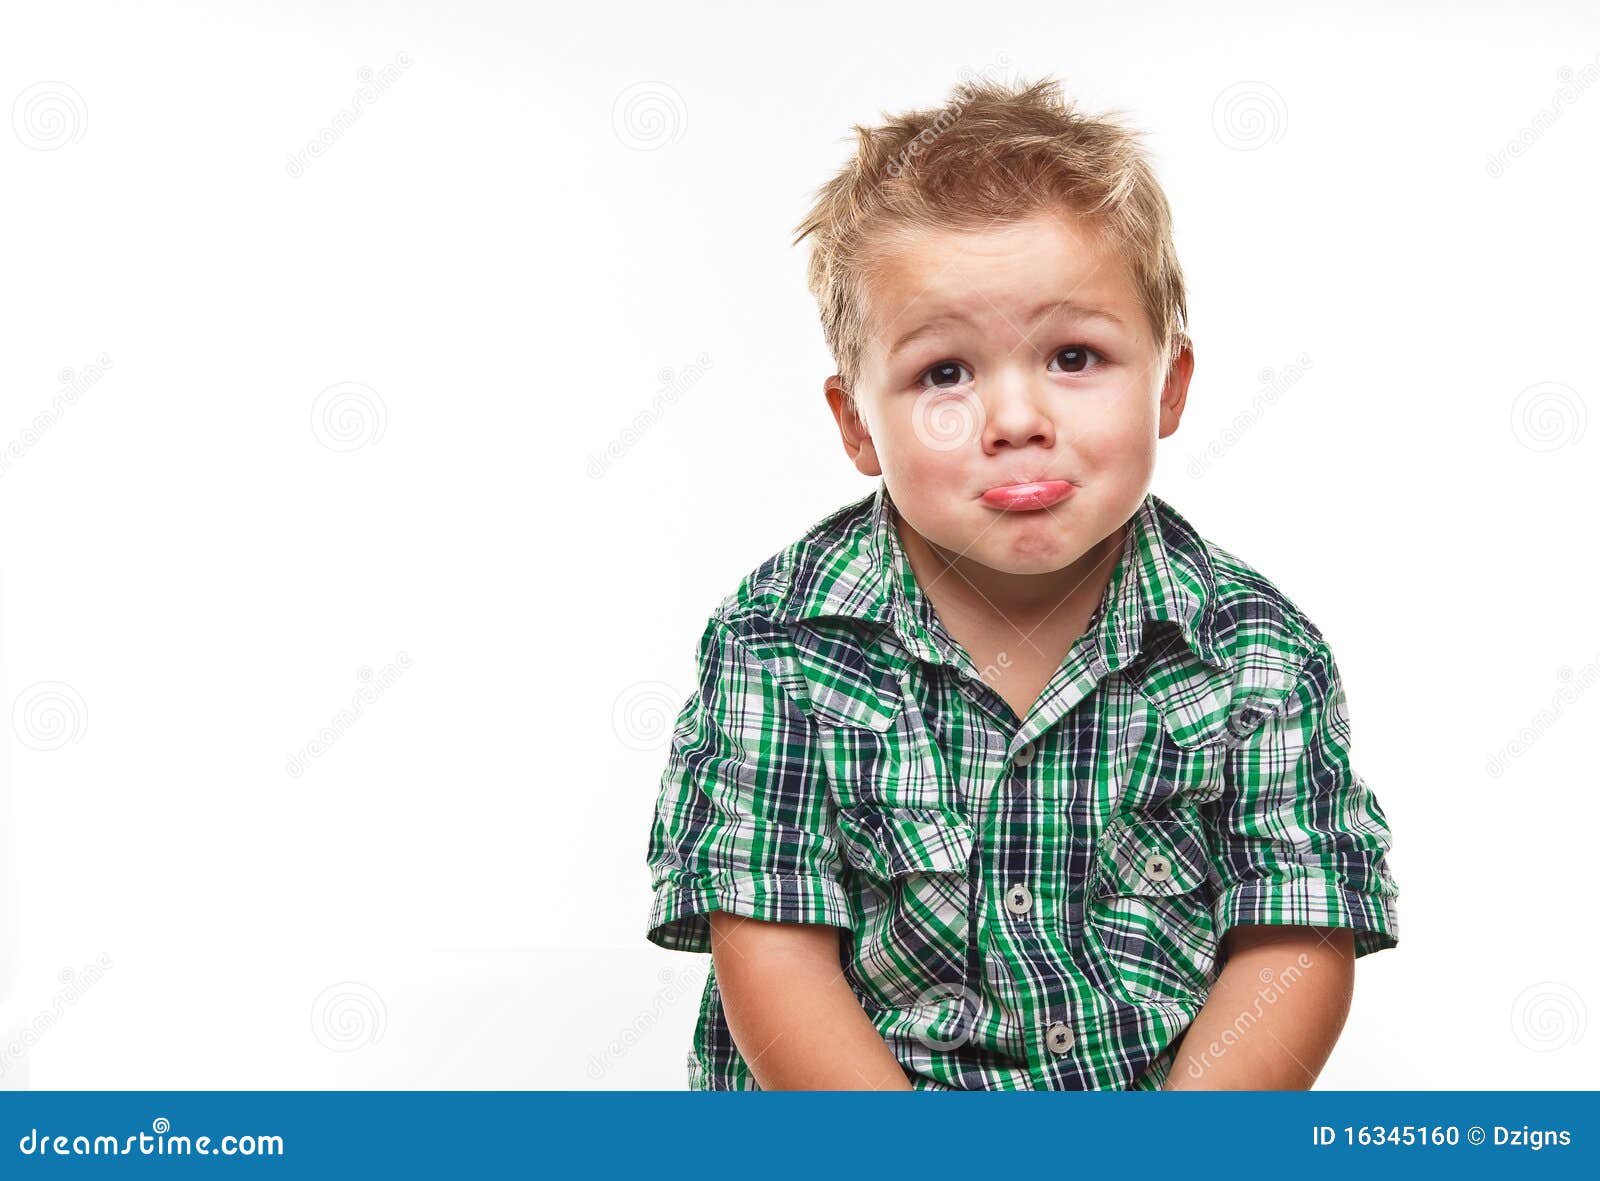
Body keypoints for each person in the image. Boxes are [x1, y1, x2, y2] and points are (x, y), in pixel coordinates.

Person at [643, 75, 1400, 1090]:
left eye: (1074, 355)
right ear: (857, 424)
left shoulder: (1256, 653)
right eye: (943, 373)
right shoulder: (778, 642)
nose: (1013, 417)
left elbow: (1295, 934)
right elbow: (769, 948)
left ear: (1168, 383)